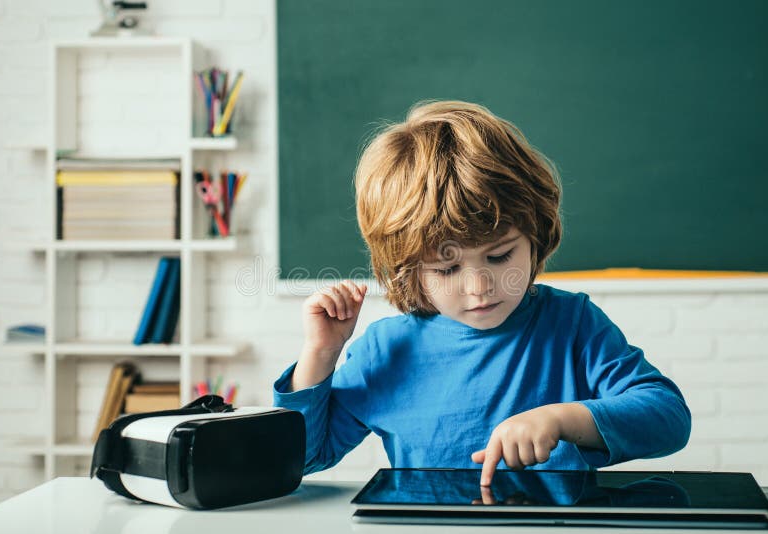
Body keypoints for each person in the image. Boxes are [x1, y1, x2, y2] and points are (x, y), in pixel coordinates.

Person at [273, 100, 691, 486]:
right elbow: (298, 459)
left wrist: (562, 420)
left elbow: (668, 416)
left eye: (500, 255)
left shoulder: (573, 323)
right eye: (447, 268)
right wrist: (321, 354)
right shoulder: (385, 351)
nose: (480, 287)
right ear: (409, 268)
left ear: (535, 236)